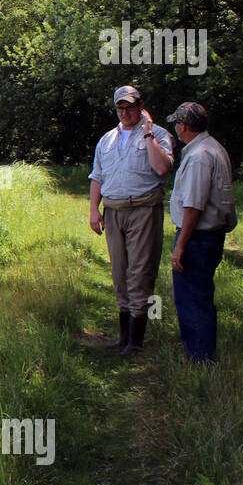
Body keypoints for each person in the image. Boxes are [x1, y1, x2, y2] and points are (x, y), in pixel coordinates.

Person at [88, 85, 175, 356]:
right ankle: (123, 335)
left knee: (140, 273)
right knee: (120, 273)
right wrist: (94, 209)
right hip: (114, 212)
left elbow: (162, 167)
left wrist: (148, 132)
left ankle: (136, 341)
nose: (125, 112)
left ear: (140, 106)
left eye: (130, 106)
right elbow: (97, 177)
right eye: (120, 108)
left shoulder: (158, 134)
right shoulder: (107, 140)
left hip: (143, 210)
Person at [167, 102, 237, 364]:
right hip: (209, 236)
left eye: (177, 123)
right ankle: (201, 353)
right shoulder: (214, 148)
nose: (175, 128)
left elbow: (194, 205)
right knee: (201, 294)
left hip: (198, 237)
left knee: (192, 298)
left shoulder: (198, 156)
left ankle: (200, 358)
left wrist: (180, 246)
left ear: (183, 126)